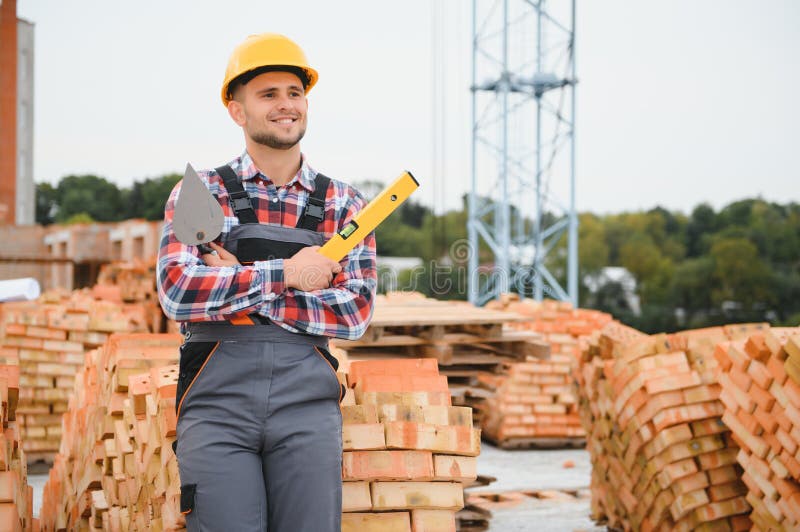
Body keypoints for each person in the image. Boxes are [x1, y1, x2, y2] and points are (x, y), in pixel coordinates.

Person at [156, 33, 377, 531]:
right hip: (217, 406)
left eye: (295, 92)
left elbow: (354, 311)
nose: (286, 105)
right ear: (238, 111)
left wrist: (238, 281)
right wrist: (291, 275)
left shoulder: (344, 203)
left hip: (307, 406)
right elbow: (177, 290)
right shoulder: (203, 191)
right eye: (268, 94)